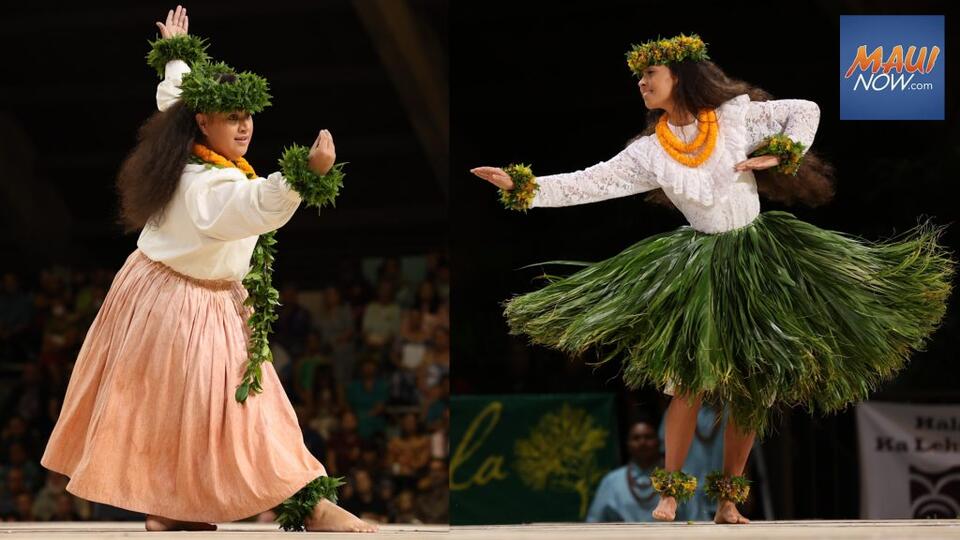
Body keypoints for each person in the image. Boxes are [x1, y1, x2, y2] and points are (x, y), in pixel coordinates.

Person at [472, 33, 954, 525]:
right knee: (688, 382)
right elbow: (588, 182)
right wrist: (523, 185)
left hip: (759, 256)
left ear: (677, 76)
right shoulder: (648, 152)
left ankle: (728, 501)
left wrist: (782, 153)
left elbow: (806, 109)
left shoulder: (733, 118)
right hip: (699, 267)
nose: (641, 83)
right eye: (640, 77)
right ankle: (671, 494)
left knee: (749, 386)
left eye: (649, 75)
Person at [39, 5, 376, 533]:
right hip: (183, 302)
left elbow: (173, 96)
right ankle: (305, 505)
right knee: (239, 406)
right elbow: (254, 205)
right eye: (231, 118)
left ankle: (176, 507)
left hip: (172, 293)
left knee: (188, 406)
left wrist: (176, 56)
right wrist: (305, 177)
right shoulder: (209, 185)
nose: (244, 127)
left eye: (247, 116)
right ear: (204, 122)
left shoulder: (189, 143)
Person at [586, 420, 664, 522]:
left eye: (648, 437)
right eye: (636, 438)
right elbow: (593, 522)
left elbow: (691, 519)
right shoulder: (611, 481)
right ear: (628, 444)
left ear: (659, 442)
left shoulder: (676, 479)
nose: (642, 442)